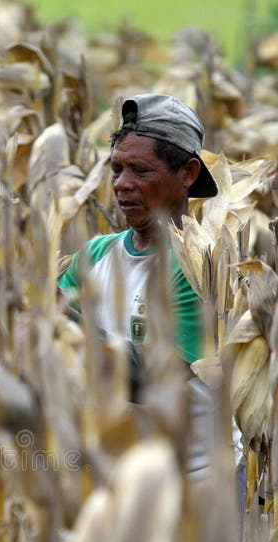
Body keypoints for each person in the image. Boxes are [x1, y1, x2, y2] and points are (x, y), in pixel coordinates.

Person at [59, 93, 223, 477]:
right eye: (116, 169)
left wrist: (59, 316)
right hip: (116, 480)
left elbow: (159, 378)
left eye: (140, 171)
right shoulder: (95, 255)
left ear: (188, 173)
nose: (121, 184)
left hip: (193, 484)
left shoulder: (201, 266)